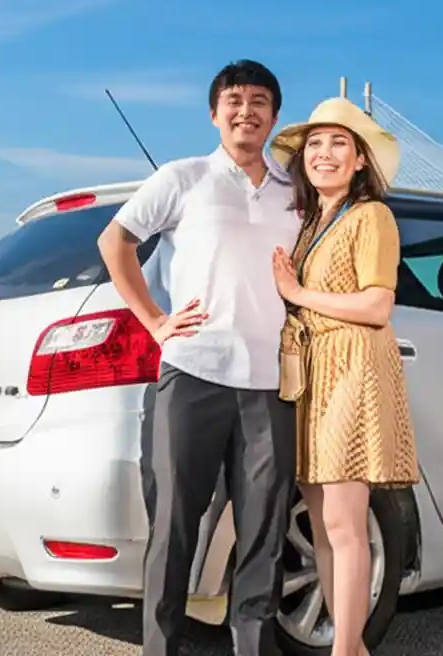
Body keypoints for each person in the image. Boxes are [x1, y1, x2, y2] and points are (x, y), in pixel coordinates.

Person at [97, 59, 302, 656]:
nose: (247, 111)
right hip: (193, 375)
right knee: (175, 527)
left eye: (259, 101)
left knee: (263, 532)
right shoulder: (183, 178)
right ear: (214, 113)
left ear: (274, 116)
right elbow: (115, 242)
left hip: (270, 384)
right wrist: (156, 322)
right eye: (234, 100)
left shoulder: (295, 192)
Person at [268, 97, 420, 656]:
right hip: (312, 374)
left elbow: (379, 305)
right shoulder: (310, 222)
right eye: (314, 144)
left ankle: (345, 649)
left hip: (352, 369)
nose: (323, 154)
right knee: (324, 522)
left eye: (338, 144)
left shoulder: (371, 215)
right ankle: (347, 645)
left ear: (360, 160)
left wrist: (298, 293)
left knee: (344, 521)